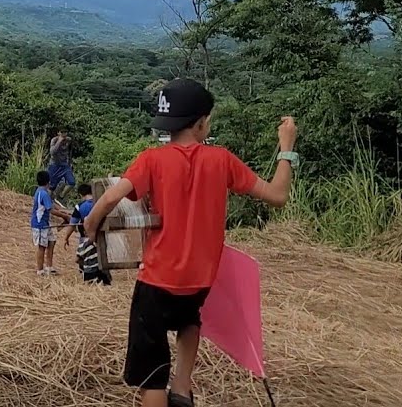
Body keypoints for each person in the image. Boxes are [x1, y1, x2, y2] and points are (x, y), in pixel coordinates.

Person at [84, 78, 297, 407]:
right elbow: (278, 195)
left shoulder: (151, 160)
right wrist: (286, 148)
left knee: (152, 378)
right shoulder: (222, 160)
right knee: (189, 319)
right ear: (200, 123)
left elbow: (111, 197)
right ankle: (182, 388)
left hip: (157, 281)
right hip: (199, 282)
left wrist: (89, 226)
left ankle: (168, 391)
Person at [31, 170, 70, 276]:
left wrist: (63, 210)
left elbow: (52, 204)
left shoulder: (43, 192)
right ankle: (40, 270)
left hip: (46, 223)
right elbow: (51, 210)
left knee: (51, 242)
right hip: (40, 224)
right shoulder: (43, 193)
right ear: (48, 181)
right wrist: (65, 216)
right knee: (42, 246)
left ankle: (49, 267)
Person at [48, 130, 76, 199]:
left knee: (72, 182)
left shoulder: (68, 140)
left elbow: (70, 152)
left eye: (65, 132)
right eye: (62, 132)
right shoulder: (54, 140)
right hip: (55, 164)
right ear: (58, 133)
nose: (64, 134)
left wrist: (70, 162)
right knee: (51, 186)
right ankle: (50, 199)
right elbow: (52, 152)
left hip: (65, 165)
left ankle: (61, 196)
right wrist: (59, 141)